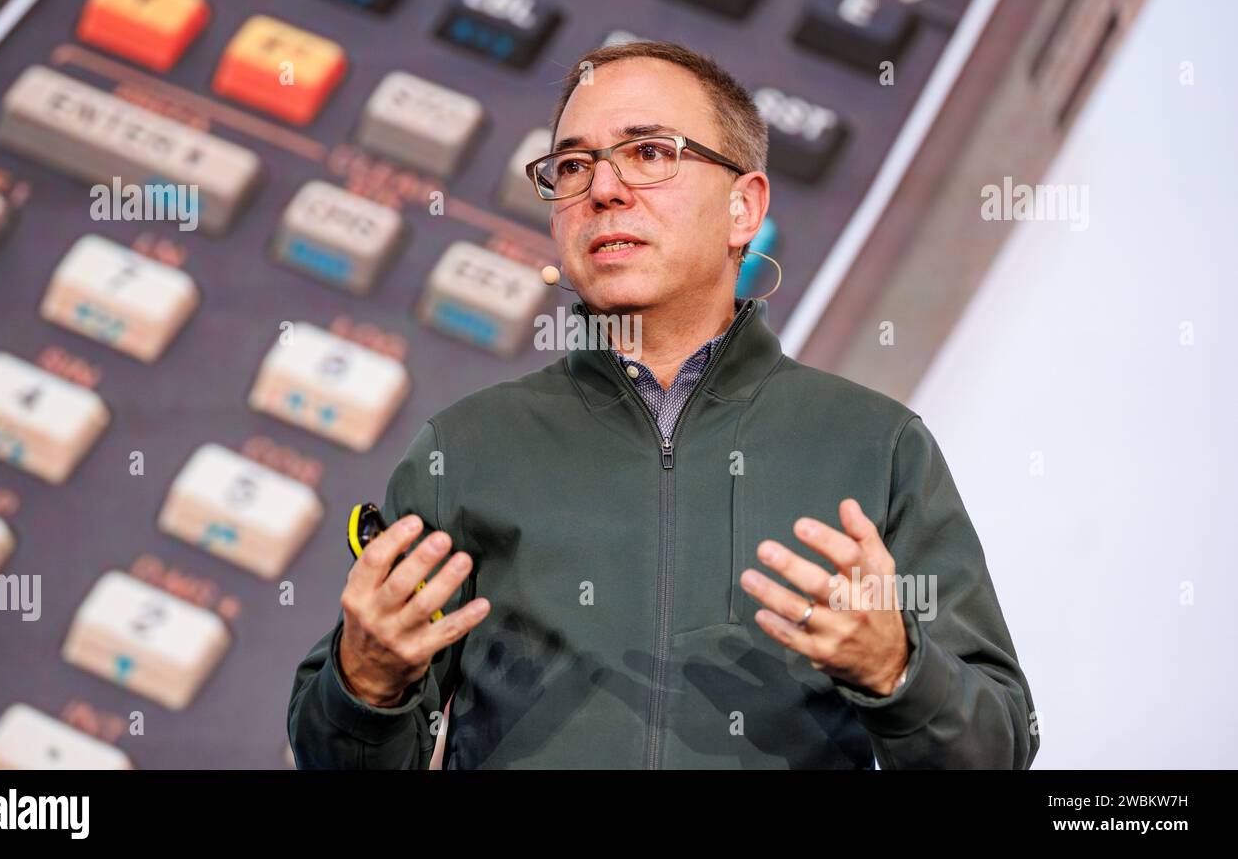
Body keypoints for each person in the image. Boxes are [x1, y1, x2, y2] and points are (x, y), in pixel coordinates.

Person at [287, 40, 1039, 769]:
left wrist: (897, 670)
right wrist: (366, 680)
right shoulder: (465, 446)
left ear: (744, 208)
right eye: (574, 165)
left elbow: (998, 746)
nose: (603, 190)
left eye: (649, 153)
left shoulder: (878, 444)